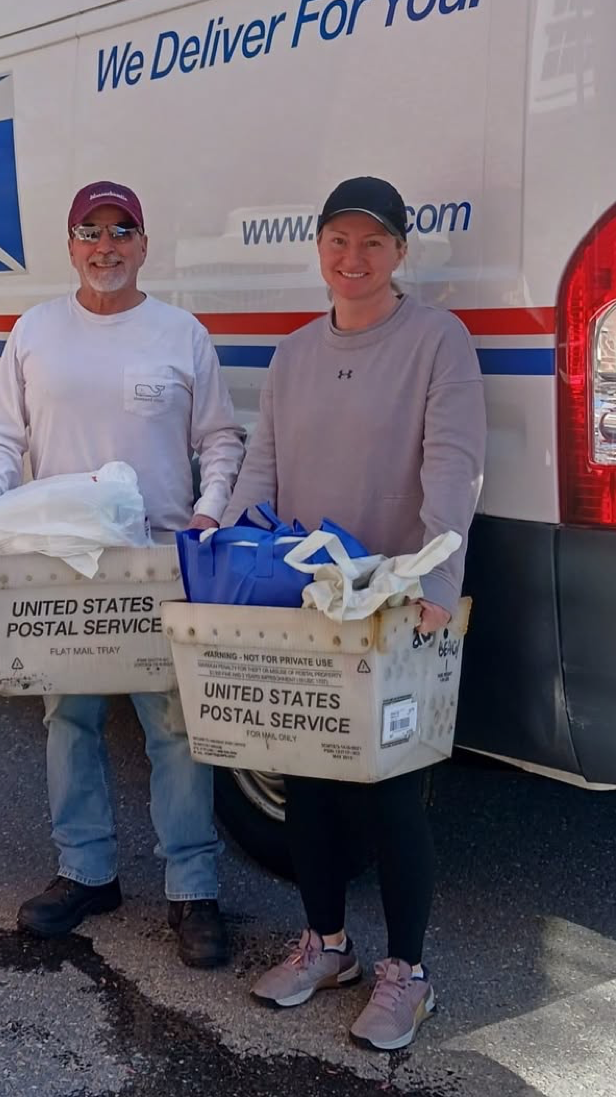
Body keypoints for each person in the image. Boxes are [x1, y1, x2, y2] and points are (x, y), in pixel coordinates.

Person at [222, 176, 485, 1049]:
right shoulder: (294, 353)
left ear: (399, 252)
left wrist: (437, 590)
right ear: (319, 249)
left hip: (394, 607)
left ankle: (407, 973)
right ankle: (327, 944)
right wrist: (225, 560)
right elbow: (260, 469)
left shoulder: (437, 341)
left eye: (372, 242)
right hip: (303, 602)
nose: (353, 258)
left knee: (394, 795)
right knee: (309, 782)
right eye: (338, 240)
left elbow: (452, 470)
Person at [0, 180, 245, 966]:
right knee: (71, 717)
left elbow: (220, 439)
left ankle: (192, 886)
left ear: (142, 244)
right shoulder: (35, 332)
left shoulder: (179, 333)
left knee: (175, 726)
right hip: (60, 563)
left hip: (155, 558)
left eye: (120, 231)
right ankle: (85, 870)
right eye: (88, 232)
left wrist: (210, 511)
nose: (104, 246)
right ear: (70, 247)